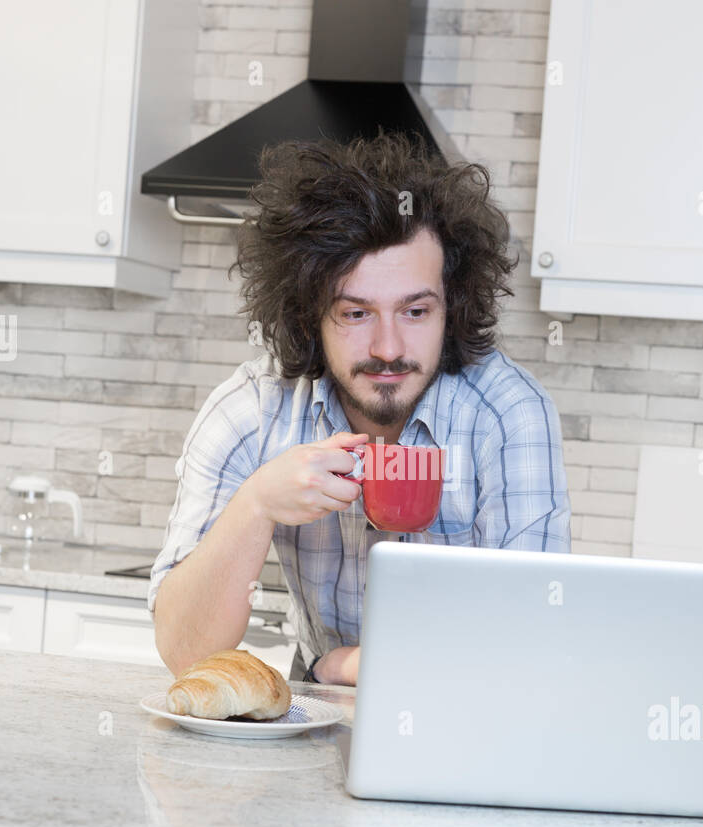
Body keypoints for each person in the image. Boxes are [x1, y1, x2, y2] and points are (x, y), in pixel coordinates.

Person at [149, 131, 571, 685]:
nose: (389, 348)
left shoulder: (509, 416)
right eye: (355, 313)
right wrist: (256, 504)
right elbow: (186, 652)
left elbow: (532, 645)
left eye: (416, 312)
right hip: (319, 694)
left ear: (453, 308)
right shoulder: (250, 410)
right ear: (308, 315)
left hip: (460, 706)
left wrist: (345, 664)